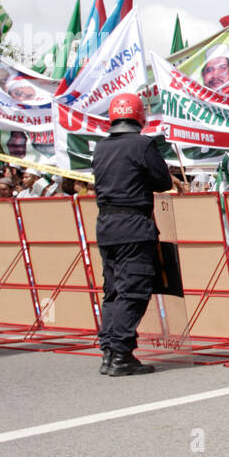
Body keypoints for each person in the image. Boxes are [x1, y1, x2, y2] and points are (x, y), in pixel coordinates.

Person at [91, 94, 173, 377]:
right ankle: (121, 353)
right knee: (134, 290)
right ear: (139, 116)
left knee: (113, 291)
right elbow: (162, 181)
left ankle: (109, 352)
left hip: (106, 226)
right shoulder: (142, 144)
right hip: (134, 227)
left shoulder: (101, 147)